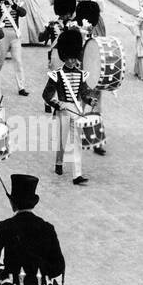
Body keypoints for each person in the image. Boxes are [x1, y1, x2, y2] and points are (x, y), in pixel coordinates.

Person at [0, 174, 65, 285]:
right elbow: (58, 266)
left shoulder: (6, 226)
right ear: (33, 203)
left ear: (12, 202)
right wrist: (38, 270)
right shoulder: (47, 228)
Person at [43, 26, 95, 185]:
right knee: (62, 140)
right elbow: (46, 95)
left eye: (74, 58)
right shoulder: (56, 74)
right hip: (63, 109)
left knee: (77, 142)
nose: (73, 61)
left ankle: (77, 174)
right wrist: (57, 104)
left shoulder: (81, 74)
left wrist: (90, 100)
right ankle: (59, 162)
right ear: (64, 57)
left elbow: (84, 92)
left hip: (77, 108)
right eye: (70, 58)